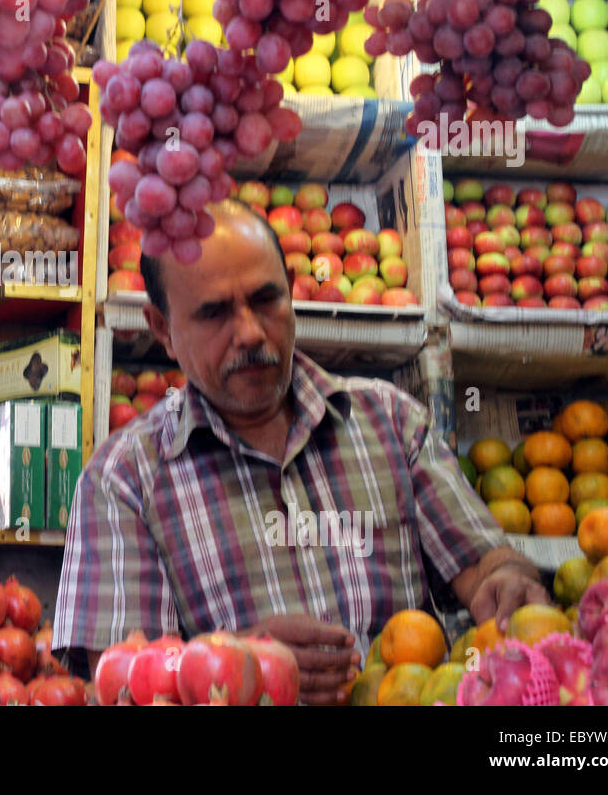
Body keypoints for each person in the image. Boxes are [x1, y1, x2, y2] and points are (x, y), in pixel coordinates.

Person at [53, 199, 550, 704]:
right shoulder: (124, 478)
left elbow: (481, 564)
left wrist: (507, 579)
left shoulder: (389, 421)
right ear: (161, 328)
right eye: (214, 313)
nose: (249, 333)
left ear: (291, 289)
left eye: (266, 299)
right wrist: (239, 660)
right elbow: (120, 685)